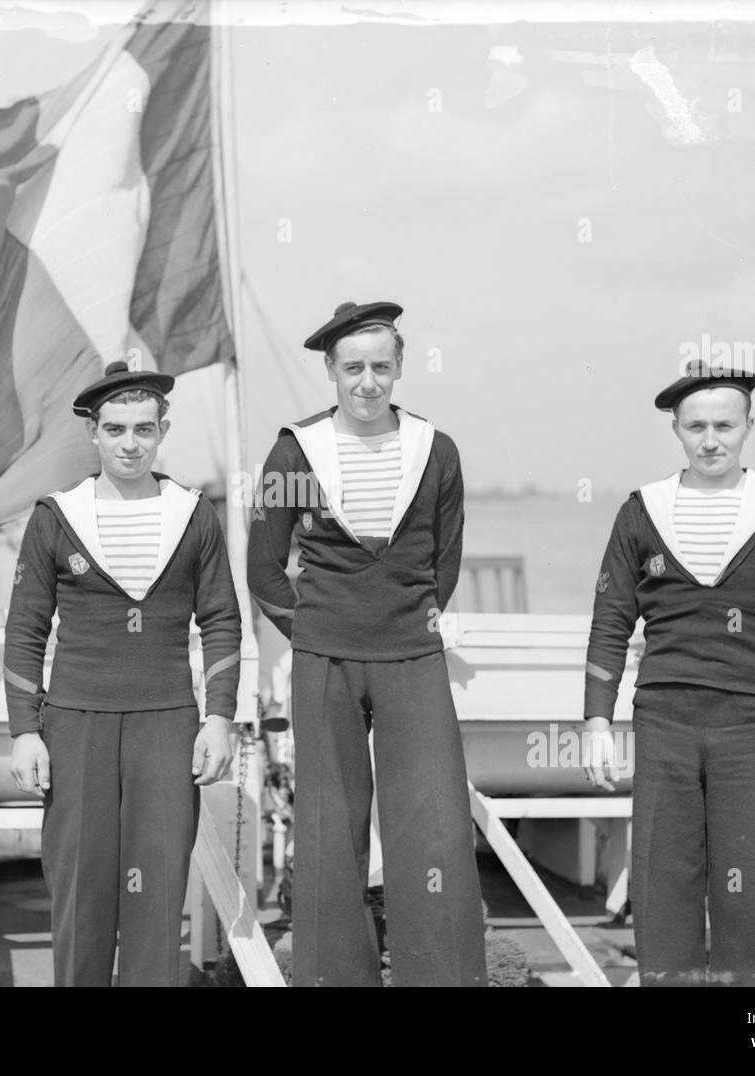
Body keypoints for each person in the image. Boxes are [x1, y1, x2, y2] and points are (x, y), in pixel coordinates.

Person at [248, 300, 487, 987]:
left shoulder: (435, 450)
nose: (367, 382)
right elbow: (263, 566)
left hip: (412, 657)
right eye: (353, 367)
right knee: (328, 830)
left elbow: (444, 560)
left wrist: (408, 620)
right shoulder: (297, 449)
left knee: (434, 826)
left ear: (400, 366)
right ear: (330, 369)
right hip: (325, 660)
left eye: (381, 366)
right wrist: (316, 631)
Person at [582, 359, 755, 986]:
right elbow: (611, 620)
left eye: (725, 424)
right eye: (697, 426)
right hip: (664, 721)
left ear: (749, 425)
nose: (711, 439)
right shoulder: (643, 512)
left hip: (752, 727)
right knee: (663, 885)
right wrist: (595, 719)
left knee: (747, 897)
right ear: (677, 428)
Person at [3, 359, 241, 987]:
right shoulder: (56, 516)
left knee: (157, 893)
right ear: (93, 433)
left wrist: (219, 718)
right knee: (80, 891)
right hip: (75, 725)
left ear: (162, 430)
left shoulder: (194, 515)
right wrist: (24, 730)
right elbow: (26, 627)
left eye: (143, 429)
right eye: (115, 430)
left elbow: (220, 619)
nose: (130, 444)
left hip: (166, 724)